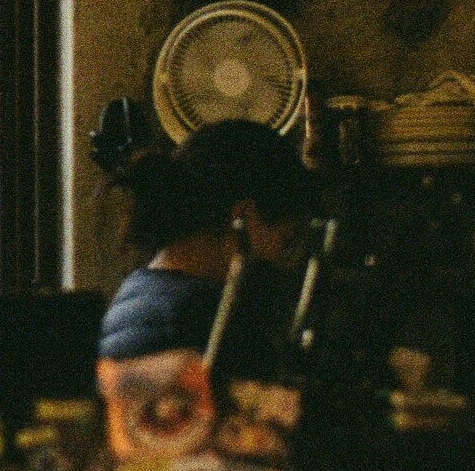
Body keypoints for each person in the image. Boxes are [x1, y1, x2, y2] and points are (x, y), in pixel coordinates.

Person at [97, 118, 321, 385]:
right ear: (242, 219)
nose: (281, 258)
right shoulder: (200, 319)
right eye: (286, 241)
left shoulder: (138, 290)